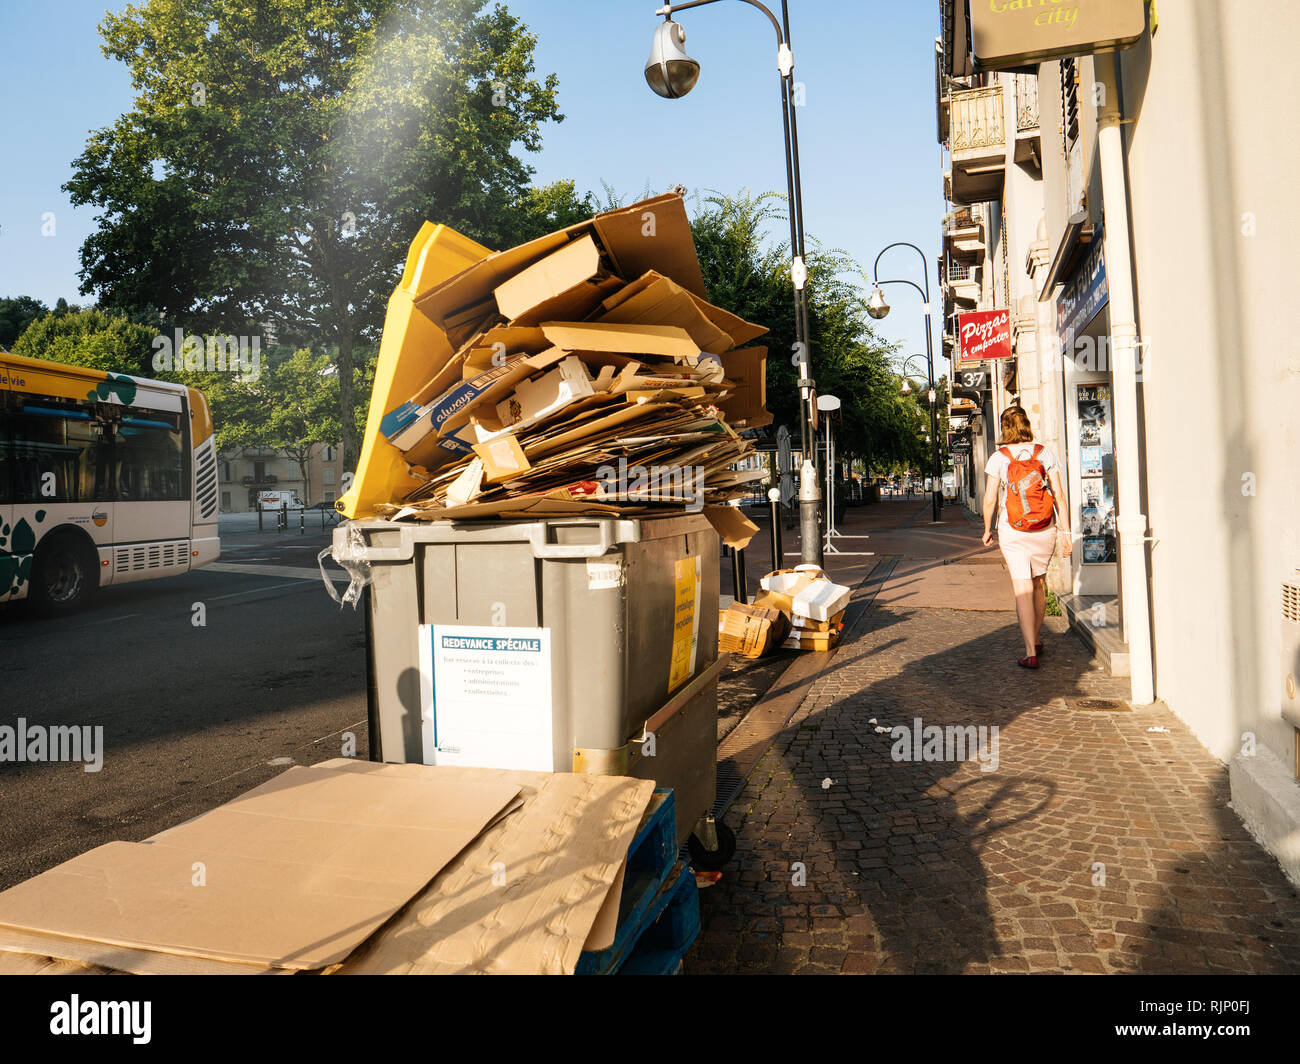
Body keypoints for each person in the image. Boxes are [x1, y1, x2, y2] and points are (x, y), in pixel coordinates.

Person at [981, 406, 1072, 669]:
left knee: (1022, 587)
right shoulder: (1044, 453)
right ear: (1027, 424)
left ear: (1004, 428)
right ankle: (1038, 636)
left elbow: (989, 500)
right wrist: (1066, 532)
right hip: (1044, 528)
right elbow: (1059, 496)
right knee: (1039, 584)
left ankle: (1030, 650)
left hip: (1013, 530)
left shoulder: (999, 458)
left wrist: (987, 530)